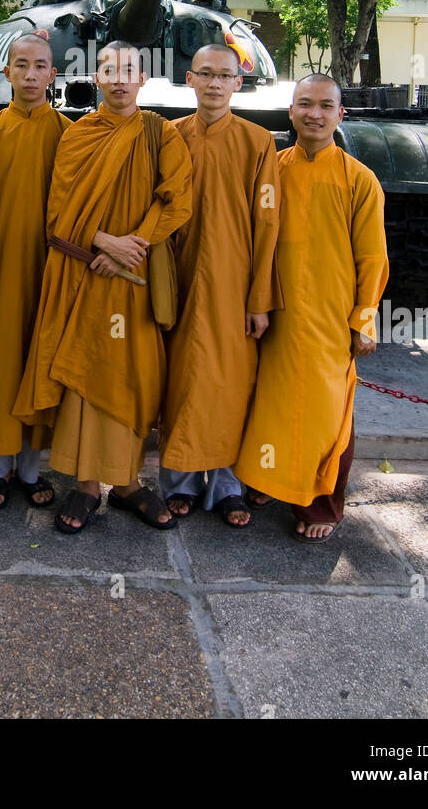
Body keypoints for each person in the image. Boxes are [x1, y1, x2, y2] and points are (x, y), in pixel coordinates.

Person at [13, 40, 193, 534]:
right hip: (85, 274)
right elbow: (58, 213)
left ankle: (130, 482)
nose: (119, 80)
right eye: (109, 70)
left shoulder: (160, 134)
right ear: (96, 79)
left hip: (135, 278)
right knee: (86, 370)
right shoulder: (78, 136)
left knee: (134, 376)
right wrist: (104, 243)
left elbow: (178, 200)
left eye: (128, 70)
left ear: (142, 78)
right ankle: (89, 485)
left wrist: (132, 244)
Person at [236, 73, 389, 541]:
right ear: (291, 111)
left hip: (329, 318)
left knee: (327, 414)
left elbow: (373, 256)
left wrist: (364, 319)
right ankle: (268, 479)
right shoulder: (272, 170)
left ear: (341, 114)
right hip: (273, 312)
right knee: (268, 405)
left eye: (325, 106)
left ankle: (321, 503)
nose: (314, 114)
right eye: (305, 104)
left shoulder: (358, 180)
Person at [159, 43, 281, 527]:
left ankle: (228, 485)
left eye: (224, 76)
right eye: (205, 74)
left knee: (232, 385)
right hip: (180, 279)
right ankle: (180, 482)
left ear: (238, 83)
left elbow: (268, 224)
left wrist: (260, 299)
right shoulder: (170, 137)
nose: (214, 83)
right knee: (181, 381)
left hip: (234, 284)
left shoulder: (258, 143)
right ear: (189, 80)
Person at [0, 33, 69, 509]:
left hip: (51, 278)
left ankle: (30, 471)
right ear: (5, 72)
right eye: (21, 65)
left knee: (39, 368)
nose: (30, 75)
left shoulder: (71, 134)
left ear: (53, 74)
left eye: (40, 66)